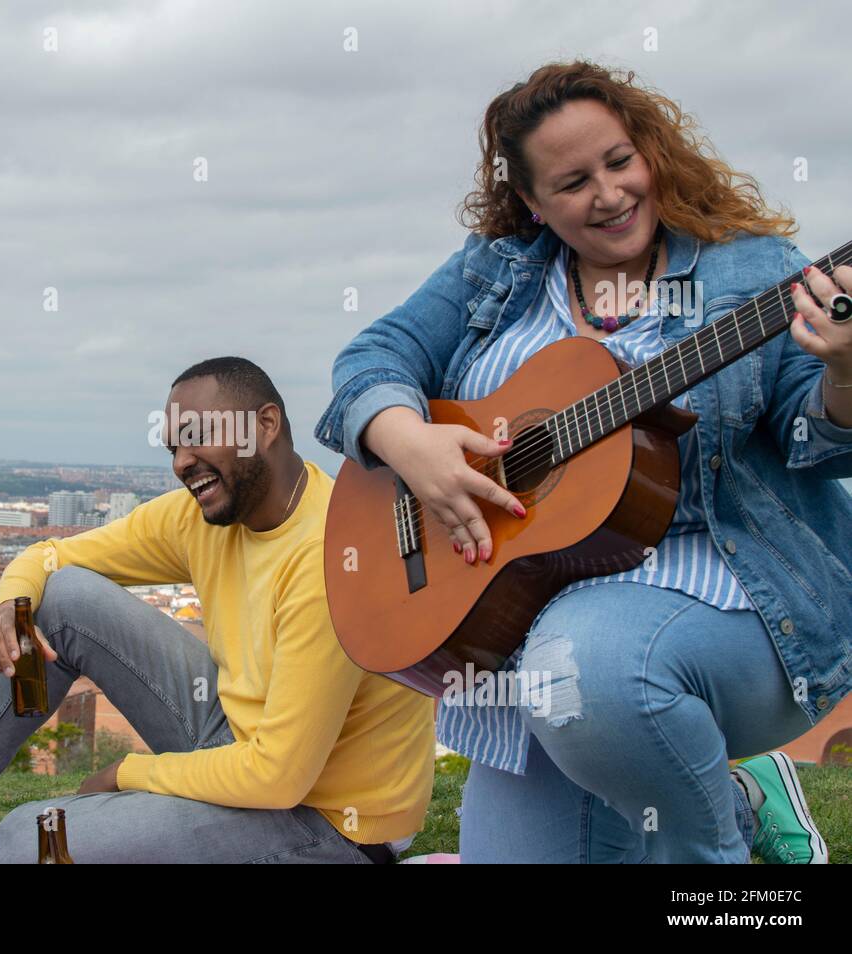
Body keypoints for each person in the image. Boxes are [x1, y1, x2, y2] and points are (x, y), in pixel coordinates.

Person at [315, 61, 852, 863]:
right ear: (532, 202)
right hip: (523, 618)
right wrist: (408, 442)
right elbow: (374, 355)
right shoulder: (498, 271)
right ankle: (714, 791)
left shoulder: (754, 272)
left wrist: (845, 369)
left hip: (726, 593)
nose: (608, 194)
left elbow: (815, 442)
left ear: (652, 151)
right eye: (571, 183)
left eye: (619, 161)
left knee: (582, 669)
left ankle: (722, 852)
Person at [0, 357, 435, 863]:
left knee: (27, 840)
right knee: (65, 598)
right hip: (244, 742)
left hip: (331, 820)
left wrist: (128, 773)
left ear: (266, 425)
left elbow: (278, 778)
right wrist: (10, 601)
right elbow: (52, 557)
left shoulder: (327, 557)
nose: (181, 463)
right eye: (172, 446)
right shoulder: (201, 516)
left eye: (197, 439)